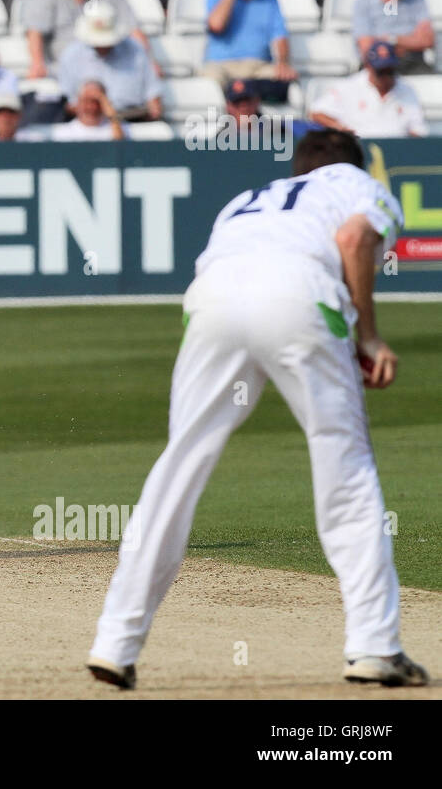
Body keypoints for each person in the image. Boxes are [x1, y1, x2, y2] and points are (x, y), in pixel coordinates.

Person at [87, 128, 427, 691]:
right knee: (345, 466)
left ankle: (115, 642)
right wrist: (367, 336)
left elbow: (225, 265)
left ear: (300, 167)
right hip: (299, 294)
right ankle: (374, 646)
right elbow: (353, 238)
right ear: (353, 164)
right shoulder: (361, 185)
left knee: (180, 464)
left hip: (213, 300)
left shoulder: (253, 197)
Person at [200, 0, 296, 89]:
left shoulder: (270, 0)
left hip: (257, 67)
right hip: (221, 66)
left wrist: (283, 63)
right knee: (209, 81)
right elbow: (217, 25)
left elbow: (280, 36)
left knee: (284, 79)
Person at [55, 3, 163, 121]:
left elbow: (153, 95)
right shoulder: (71, 54)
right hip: (87, 122)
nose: (102, 46)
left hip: (131, 120)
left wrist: (152, 112)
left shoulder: (135, 49)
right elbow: (66, 104)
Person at [309, 40, 427, 138]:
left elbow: (418, 131)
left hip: (397, 153)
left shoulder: (407, 89)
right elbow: (317, 114)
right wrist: (340, 129)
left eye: (389, 71)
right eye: (381, 72)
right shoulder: (349, 87)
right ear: (368, 67)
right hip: (358, 150)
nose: (386, 77)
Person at [50, 80, 128, 140]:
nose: (91, 107)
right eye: (86, 101)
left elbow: (119, 148)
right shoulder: (64, 133)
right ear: (78, 102)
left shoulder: (117, 128)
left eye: (96, 102)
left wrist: (106, 104)